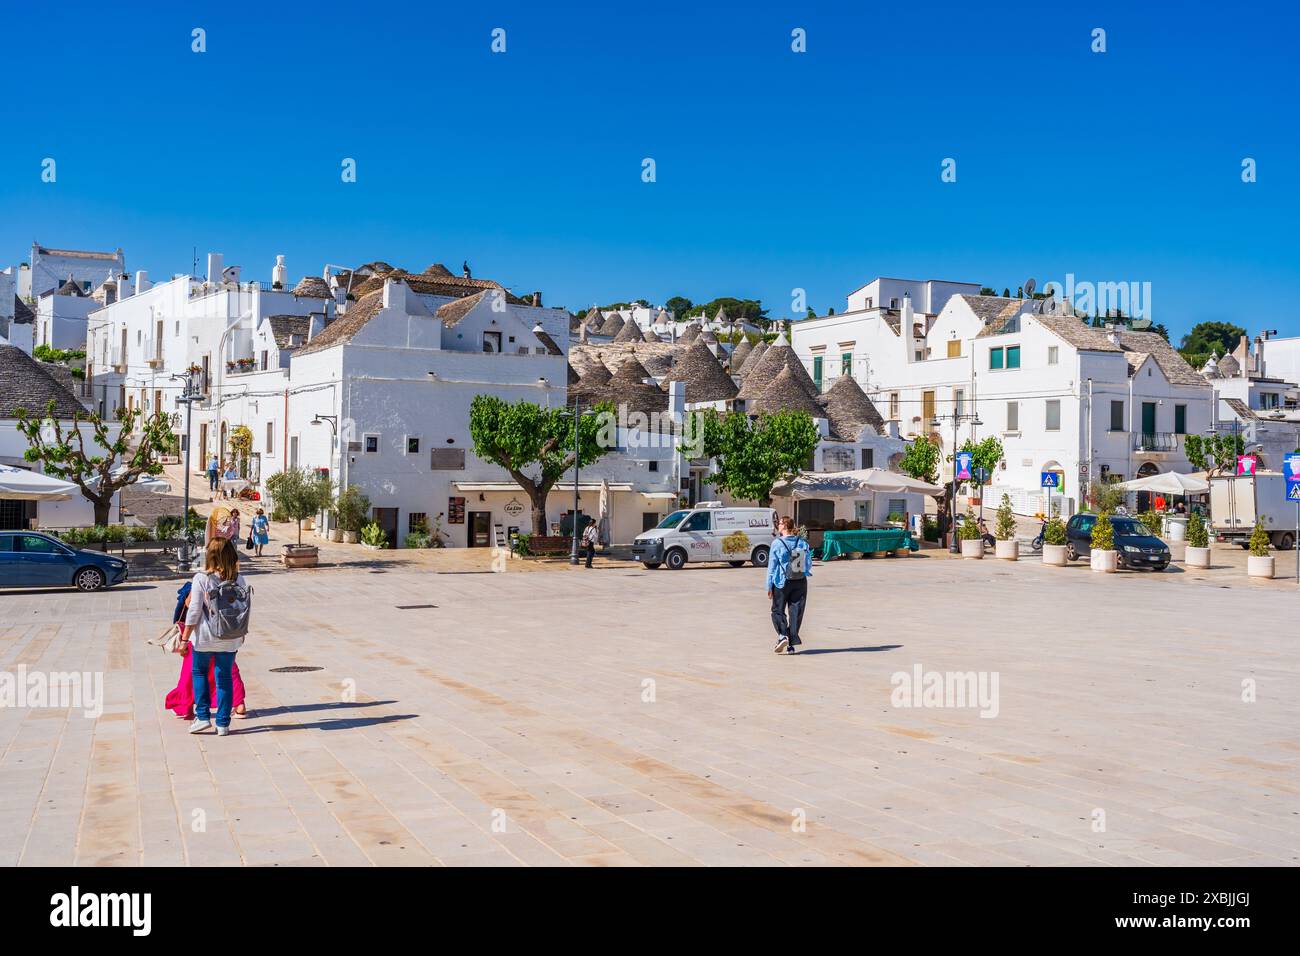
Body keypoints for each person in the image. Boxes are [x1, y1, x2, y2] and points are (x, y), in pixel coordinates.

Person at [183, 538, 251, 736]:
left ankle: (203, 717)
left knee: (200, 674)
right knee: (224, 679)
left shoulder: (202, 578)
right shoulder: (239, 578)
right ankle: (223, 724)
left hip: (205, 637)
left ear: (209, 555)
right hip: (230, 637)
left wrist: (185, 638)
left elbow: (194, 611)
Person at [167, 579, 247, 720]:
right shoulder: (236, 577)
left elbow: (191, 608)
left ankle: (186, 707)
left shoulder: (201, 578)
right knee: (229, 671)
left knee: (192, 671)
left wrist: (184, 640)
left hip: (203, 635)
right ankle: (238, 704)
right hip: (226, 633)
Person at [766, 516, 812, 655]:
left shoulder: (777, 543)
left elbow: (772, 567)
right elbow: (808, 564)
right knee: (796, 612)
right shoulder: (802, 542)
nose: (777, 525)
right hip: (800, 581)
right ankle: (791, 645)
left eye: (779, 523)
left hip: (781, 582)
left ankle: (782, 635)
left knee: (777, 611)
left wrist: (769, 585)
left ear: (785, 526)